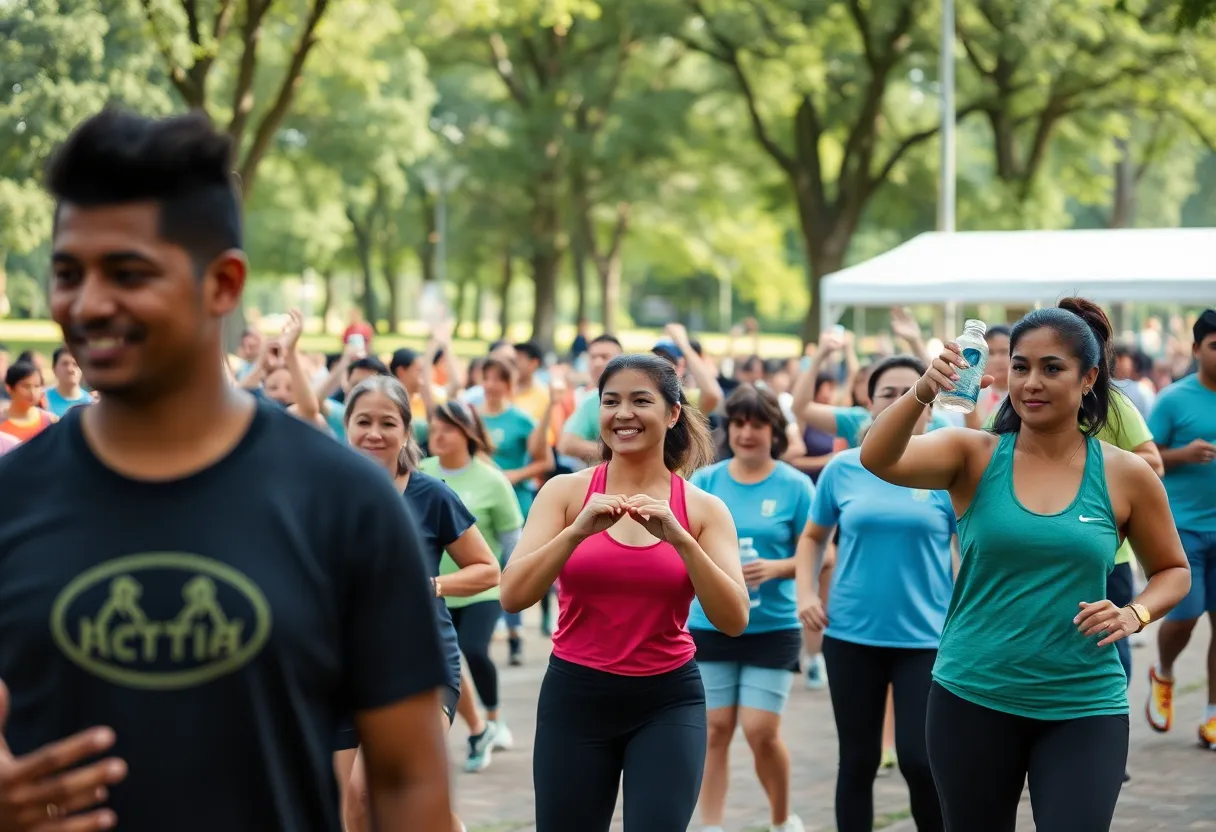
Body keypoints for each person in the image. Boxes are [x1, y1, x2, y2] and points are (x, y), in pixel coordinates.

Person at [0, 109, 453, 831]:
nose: (86, 303)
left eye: (127, 273)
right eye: (66, 273)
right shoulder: (11, 500)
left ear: (223, 284)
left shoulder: (347, 504)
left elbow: (408, 786)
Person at [860, 298, 1191, 831]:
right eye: (1020, 366)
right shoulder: (972, 454)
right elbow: (877, 457)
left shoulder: (1127, 474)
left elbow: (1174, 571)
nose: (1032, 382)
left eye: (1052, 368)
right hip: (973, 694)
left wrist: (1136, 615)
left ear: (1088, 379)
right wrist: (924, 389)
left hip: (1084, 703)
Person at [500, 353, 750, 832]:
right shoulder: (564, 493)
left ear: (673, 412)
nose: (623, 414)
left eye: (641, 401)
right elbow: (512, 596)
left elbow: (734, 618)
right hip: (575, 697)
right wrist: (576, 532)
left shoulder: (703, 509)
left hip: (667, 701)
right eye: (610, 401)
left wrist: (681, 540)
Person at [336, 376, 501, 832]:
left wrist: (431, 585)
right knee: (349, 808)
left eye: (387, 423)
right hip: (342, 670)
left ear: (406, 433)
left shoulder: (431, 496)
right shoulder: (326, 494)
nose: (374, 433)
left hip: (419, 667)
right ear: (346, 427)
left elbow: (488, 570)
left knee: (369, 790)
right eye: (363, 421)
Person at [795, 356, 950, 832]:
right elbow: (812, 537)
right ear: (869, 402)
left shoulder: (948, 467)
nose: (902, 400)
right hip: (851, 634)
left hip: (924, 639)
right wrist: (805, 592)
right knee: (857, 762)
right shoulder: (844, 468)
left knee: (921, 763)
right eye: (889, 393)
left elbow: (975, 549)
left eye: (913, 390)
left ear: (930, 403)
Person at [689, 385, 812, 832]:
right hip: (709, 623)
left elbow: (819, 553)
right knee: (715, 727)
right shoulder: (706, 481)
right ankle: (713, 825)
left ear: (773, 431)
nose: (746, 433)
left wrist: (779, 567)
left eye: (757, 424)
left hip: (773, 627)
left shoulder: (796, 486)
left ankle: (782, 818)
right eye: (738, 423)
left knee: (761, 731)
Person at [421, 400, 524, 765]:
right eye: (432, 429)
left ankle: (493, 718)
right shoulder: (421, 471)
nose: (437, 436)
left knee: (474, 649)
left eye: (446, 429)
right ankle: (479, 727)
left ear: (466, 432)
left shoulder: (491, 479)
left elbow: (514, 541)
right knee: (445, 664)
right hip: (431, 591)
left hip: (482, 587)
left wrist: (516, 583)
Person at [1145, 308, 1216, 749]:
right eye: (1215, 346)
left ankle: (1212, 714)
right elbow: (1147, 456)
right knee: (1185, 615)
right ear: (1195, 350)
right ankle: (1165, 672)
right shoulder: (1174, 399)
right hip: (1184, 528)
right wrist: (1183, 455)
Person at [0, 363, 57, 442]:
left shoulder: (50, 421)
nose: (32, 392)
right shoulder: (1, 421)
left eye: (37, 386)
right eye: (26, 386)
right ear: (9, 388)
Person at [45, 347, 94, 416]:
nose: (70, 369)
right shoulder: (42, 398)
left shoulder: (90, 403)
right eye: (65, 364)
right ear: (54, 368)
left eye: (75, 364)